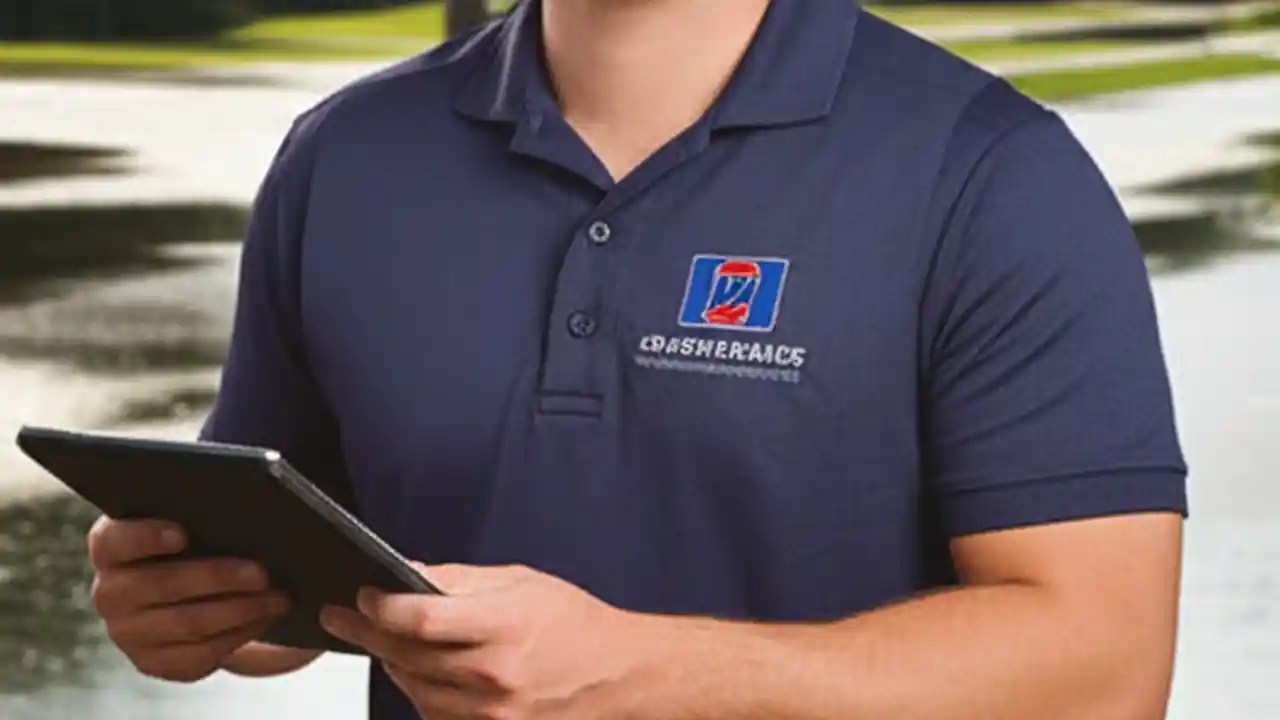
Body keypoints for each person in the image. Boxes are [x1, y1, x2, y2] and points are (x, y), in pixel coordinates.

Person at [85, 0, 1189, 717]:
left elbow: (1104, 671)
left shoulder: (990, 172)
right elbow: (300, 581)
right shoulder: (345, 154)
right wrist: (202, 612)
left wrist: (653, 671)